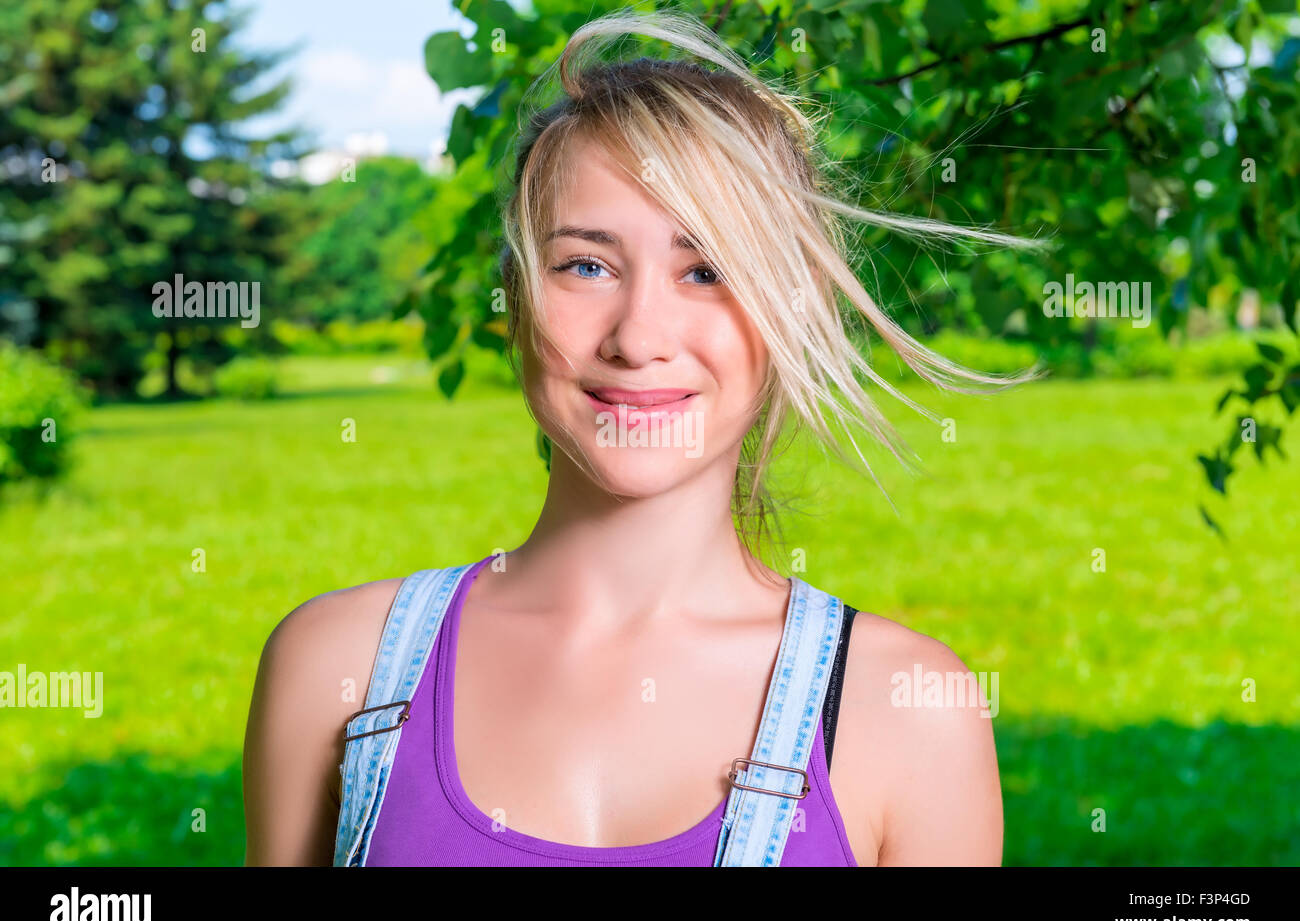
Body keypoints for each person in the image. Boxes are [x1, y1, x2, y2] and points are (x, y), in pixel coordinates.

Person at [243, 6, 1043, 866]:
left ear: (792, 304)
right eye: (586, 264)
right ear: (515, 296)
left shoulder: (910, 711)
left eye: (708, 270)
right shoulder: (335, 667)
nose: (638, 335)